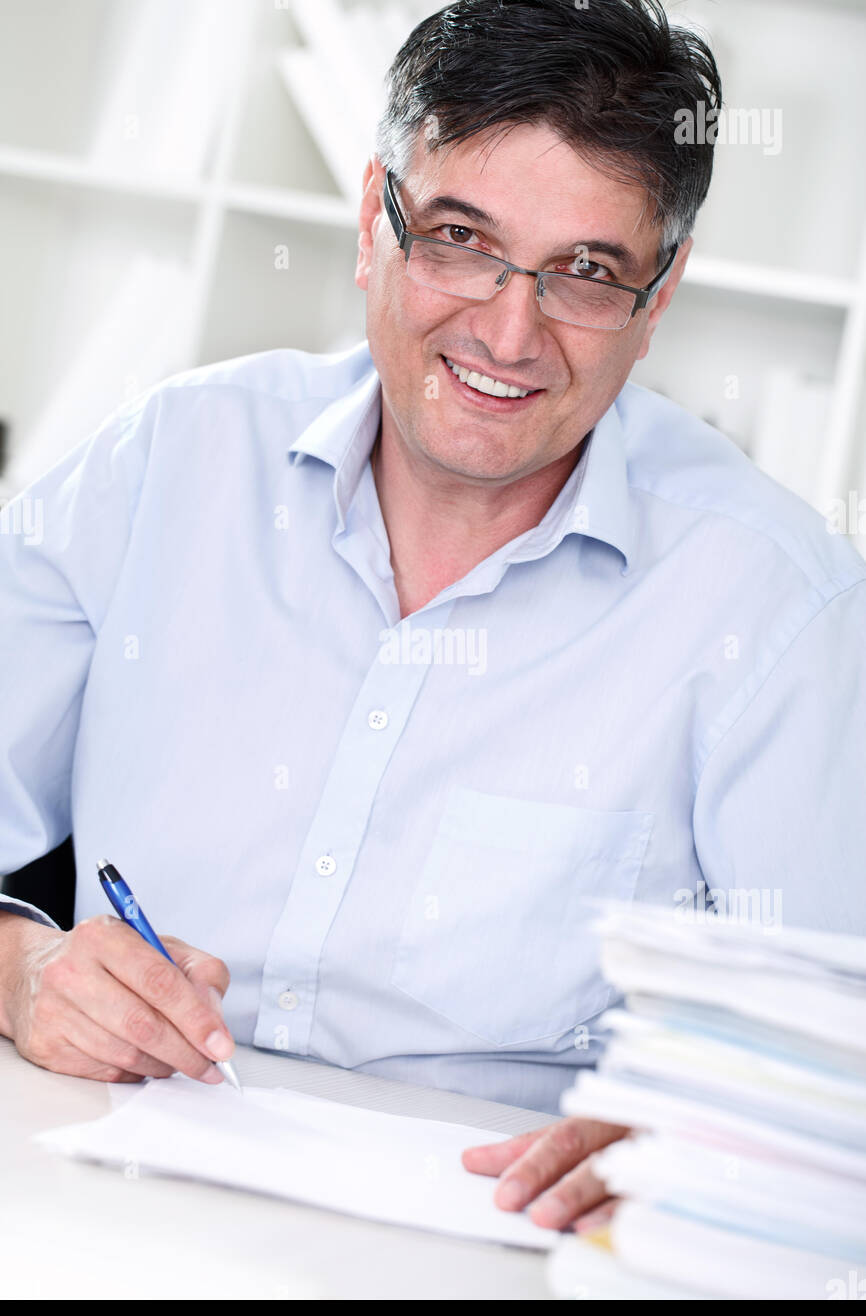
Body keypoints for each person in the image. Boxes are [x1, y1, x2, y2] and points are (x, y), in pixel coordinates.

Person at [0, 0, 864, 1236]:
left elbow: (836, 1065)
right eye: (459, 239)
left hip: (496, 1250)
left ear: (657, 295)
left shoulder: (777, 604)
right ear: (372, 223)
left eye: (585, 272)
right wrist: (22, 971)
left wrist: (707, 1137)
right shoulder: (164, 465)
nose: (508, 335)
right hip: (90, 1192)